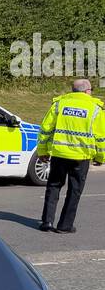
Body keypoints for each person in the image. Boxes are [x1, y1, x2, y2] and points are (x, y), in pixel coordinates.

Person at [37, 79, 105, 233]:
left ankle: (47, 222)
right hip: (81, 157)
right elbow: (101, 138)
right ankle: (65, 225)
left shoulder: (59, 104)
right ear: (87, 91)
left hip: (59, 154)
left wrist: (42, 151)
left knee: (54, 186)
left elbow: (45, 130)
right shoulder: (95, 109)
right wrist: (101, 158)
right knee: (74, 190)